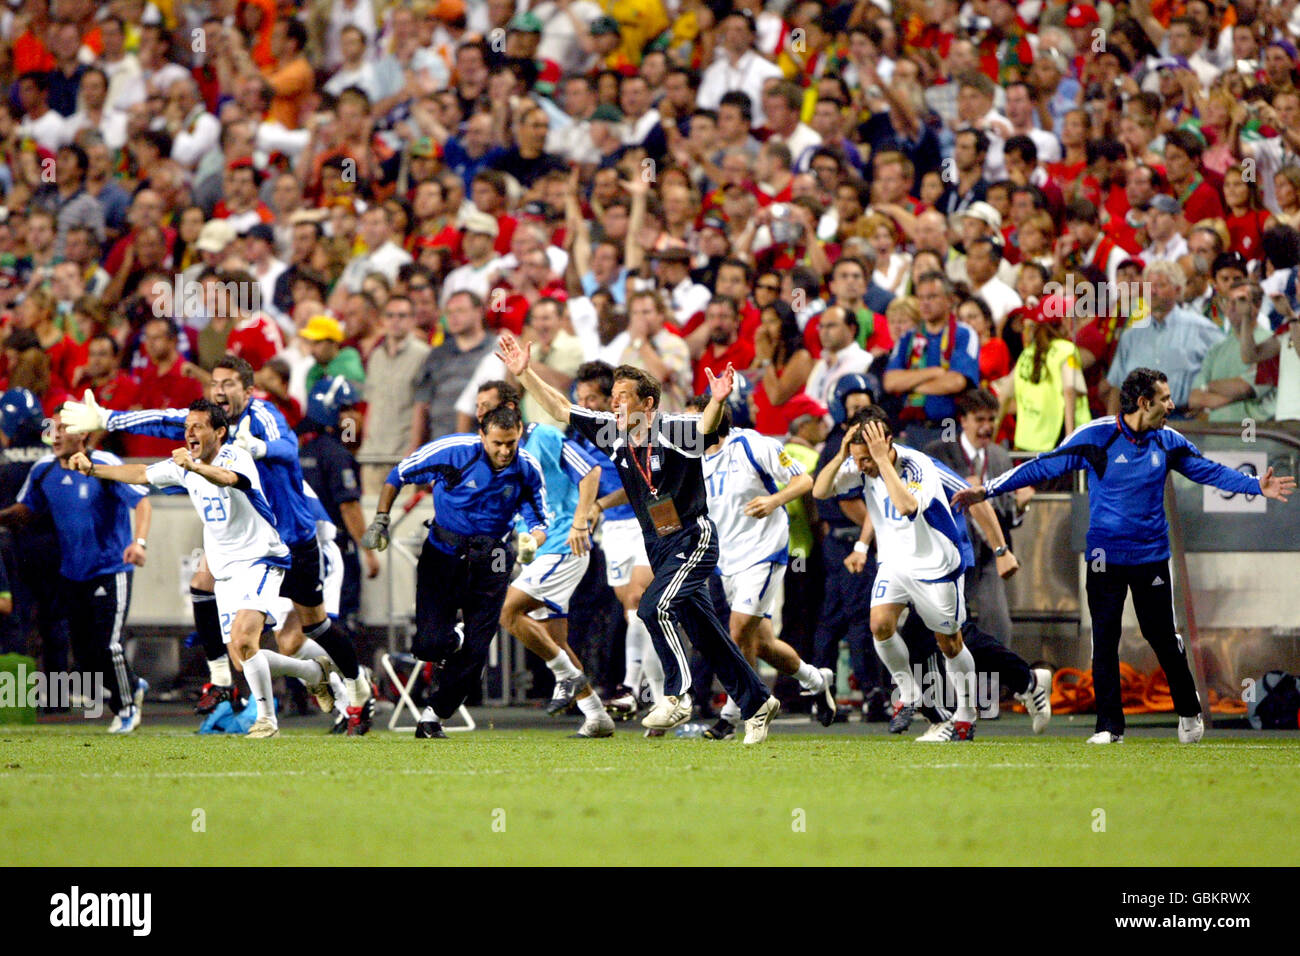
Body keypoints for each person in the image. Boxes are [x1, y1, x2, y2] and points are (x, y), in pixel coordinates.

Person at [953, 368, 1297, 744]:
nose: (1171, 405)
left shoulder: (1169, 441)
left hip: (1150, 557)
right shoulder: (1097, 437)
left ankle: (1188, 710)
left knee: (1162, 636)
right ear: (1143, 403)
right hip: (1104, 557)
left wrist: (1254, 486)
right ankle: (1109, 727)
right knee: (1104, 639)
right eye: (1164, 399)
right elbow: (1042, 465)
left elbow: (1206, 471)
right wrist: (986, 491)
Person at [62, 355, 374, 733]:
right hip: (247, 546)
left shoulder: (255, 425)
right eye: (215, 383)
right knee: (235, 632)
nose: (220, 390)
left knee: (308, 631)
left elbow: (283, 451)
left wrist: (256, 449)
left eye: (229, 384)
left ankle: (355, 686)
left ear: (248, 389)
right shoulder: (205, 427)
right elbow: (163, 427)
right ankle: (225, 678)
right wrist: (107, 421)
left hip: (291, 538)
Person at [497, 332, 782, 745]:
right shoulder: (613, 432)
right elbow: (561, 406)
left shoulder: (675, 428)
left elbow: (705, 425)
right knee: (705, 633)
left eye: (623, 396)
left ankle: (677, 696)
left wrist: (718, 399)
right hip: (659, 543)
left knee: (651, 606)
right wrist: (525, 374)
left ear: (647, 404)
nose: (614, 403)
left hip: (692, 538)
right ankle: (758, 701)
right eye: (613, 395)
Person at [361, 403, 550, 740]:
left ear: (520, 435)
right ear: (482, 436)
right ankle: (454, 637)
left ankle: (434, 716)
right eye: (498, 444)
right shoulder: (451, 452)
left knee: (478, 650)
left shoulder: (527, 468)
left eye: (512, 443)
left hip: (493, 557)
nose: (505, 451)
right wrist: (381, 519)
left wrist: (531, 542)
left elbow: (539, 521)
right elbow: (398, 474)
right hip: (443, 554)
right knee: (430, 645)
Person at [814, 405, 980, 741]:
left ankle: (966, 712)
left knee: (949, 642)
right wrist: (845, 453)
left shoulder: (918, 465)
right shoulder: (861, 463)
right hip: (895, 563)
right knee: (879, 624)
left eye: (867, 460)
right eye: (858, 460)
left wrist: (883, 462)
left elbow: (906, 507)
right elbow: (820, 491)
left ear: (887, 443)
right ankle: (908, 693)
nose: (861, 468)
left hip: (935, 564)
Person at [686, 395, 835, 739]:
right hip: (727, 560)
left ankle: (737, 714)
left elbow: (803, 481)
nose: (689, 428)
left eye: (696, 420)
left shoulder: (752, 444)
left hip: (765, 550)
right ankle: (816, 680)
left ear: (716, 417)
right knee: (762, 643)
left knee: (737, 631)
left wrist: (773, 500)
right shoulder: (692, 459)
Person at [475, 381, 614, 738]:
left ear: (510, 409)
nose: (480, 412)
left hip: (565, 544)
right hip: (535, 550)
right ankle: (596, 716)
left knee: (507, 612)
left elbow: (591, 472)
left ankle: (566, 677)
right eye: (478, 407)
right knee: (556, 640)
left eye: (487, 406)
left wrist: (581, 520)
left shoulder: (545, 437)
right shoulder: (498, 453)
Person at [0, 411, 151, 732]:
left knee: (108, 644)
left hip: (111, 569)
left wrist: (139, 543)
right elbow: (26, 510)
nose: (54, 436)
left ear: (83, 435)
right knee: (85, 654)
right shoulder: (44, 470)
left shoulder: (105, 464)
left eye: (63, 429)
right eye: (53, 429)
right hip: (72, 573)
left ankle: (126, 708)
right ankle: (133, 685)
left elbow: (142, 502)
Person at [570, 361, 664, 722]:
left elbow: (637, 485)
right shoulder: (586, 436)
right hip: (614, 531)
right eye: (582, 398)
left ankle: (629, 688)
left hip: (649, 523)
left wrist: (599, 504)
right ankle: (658, 698)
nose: (589, 405)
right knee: (635, 614)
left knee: (642, 602)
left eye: (594, 397)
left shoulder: (642, 432)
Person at [925, 389, 1030, 645]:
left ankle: (998, 685)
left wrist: (1019, 507)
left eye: (991, 420)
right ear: (963, 421)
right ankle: (945, 683)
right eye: (979, 419)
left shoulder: (1000, 457)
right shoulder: (938, 453)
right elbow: (927, 507)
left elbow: (1007, 515)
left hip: (988, 557)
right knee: (945, 627)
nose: (986, 427)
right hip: (949, 556)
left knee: (999, 624)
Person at [297, 376, 380, 634]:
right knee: (340, 625)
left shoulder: (303, 452)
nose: (356, 417)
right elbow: (349, 507)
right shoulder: (338, 456)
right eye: (348, 409)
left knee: (306, 626)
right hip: (336, 552)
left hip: (304, 552)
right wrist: (368, 551)